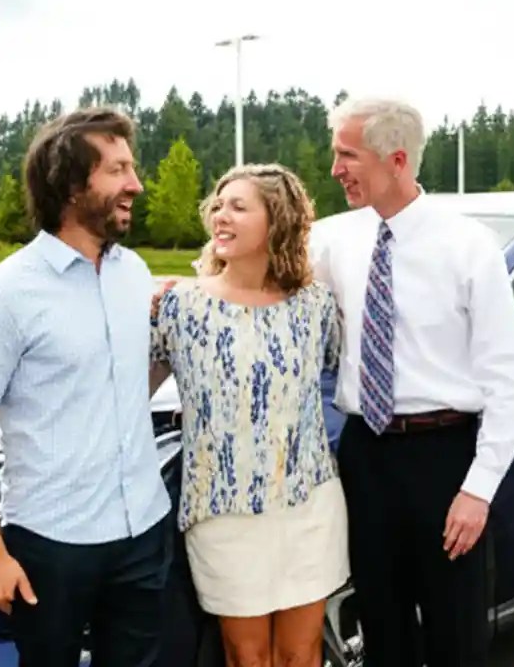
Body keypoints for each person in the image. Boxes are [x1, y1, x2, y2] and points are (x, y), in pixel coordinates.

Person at [309, 96, 514, 666]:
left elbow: (512, 379)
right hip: (365, 457)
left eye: (347, 155)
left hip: (444, 462)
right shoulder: (332, 241)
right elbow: (271, 300)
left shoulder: (467, 246)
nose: (335, 169)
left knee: (455, 636)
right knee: (382, 631)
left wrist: (477, 489)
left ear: (397, 159)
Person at [0, 107, 172, 667]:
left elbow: (124, 389)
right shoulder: (7, 294)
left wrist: (173, 351)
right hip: (54, 544)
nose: (136, 185)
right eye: (118, 170)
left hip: (143, 529)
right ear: (72, 186)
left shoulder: (134, 273)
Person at [148, 163, 349, 667]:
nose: (222, 215)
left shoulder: (315, 305)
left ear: (276, 220)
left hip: (308, 501)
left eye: (239, 207)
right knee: (246, 656)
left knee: (301, 654)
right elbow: (133, 393)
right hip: (221, 508)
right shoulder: (178, 307)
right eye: (218, 205)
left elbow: (327, 372)